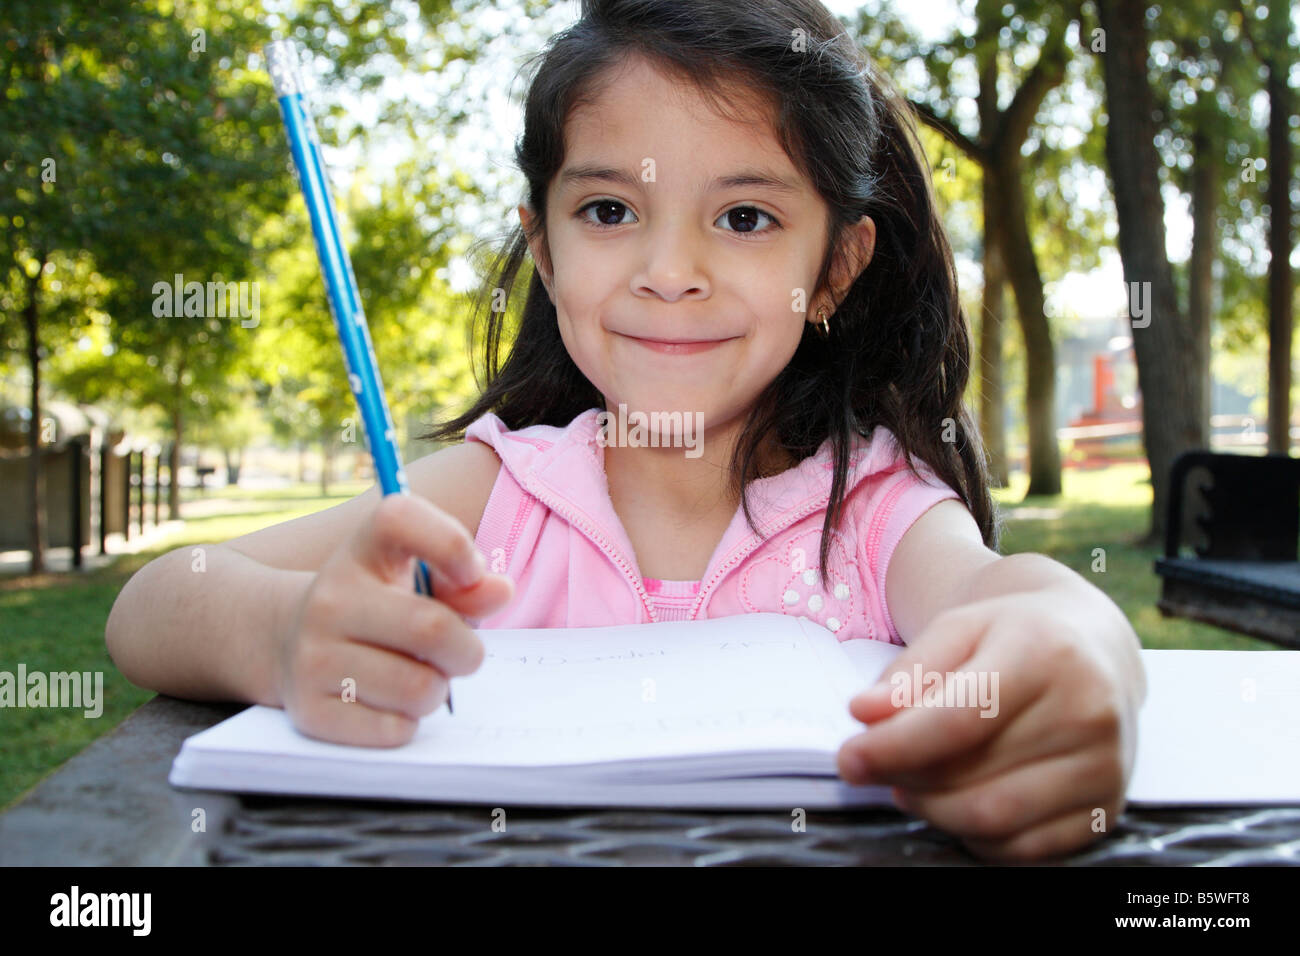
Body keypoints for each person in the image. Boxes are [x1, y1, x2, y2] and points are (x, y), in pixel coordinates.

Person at [106, 0, 1146, 863]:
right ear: (547, 253)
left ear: (832, 269)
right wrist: (287, 639)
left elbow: (1019, 598)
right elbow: (157, 601)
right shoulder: (489, 496)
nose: (667, 269)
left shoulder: (873, 512)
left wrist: (1079, 648)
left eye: (744, 218)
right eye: (609, 211)